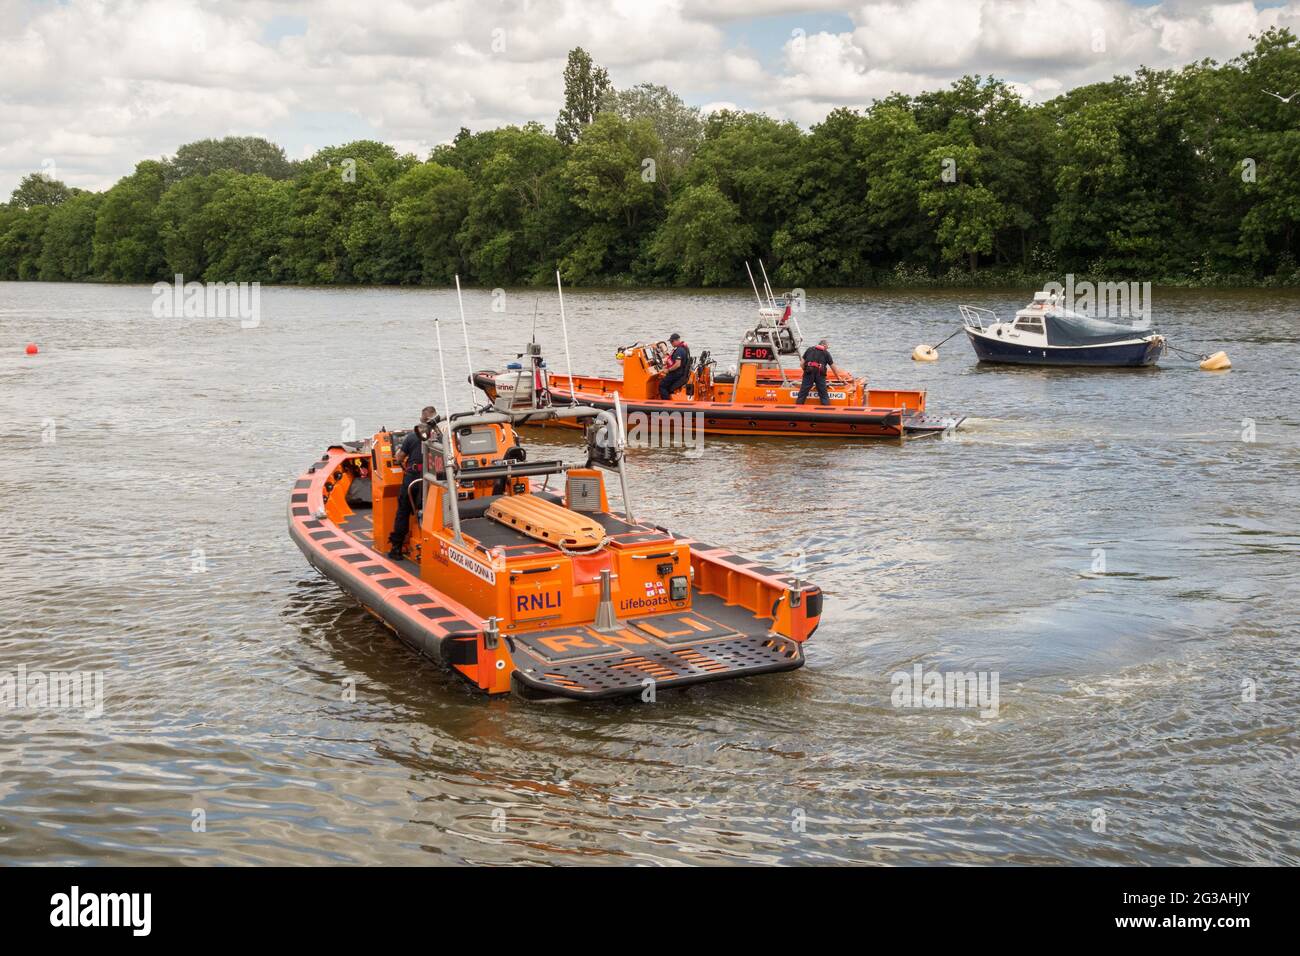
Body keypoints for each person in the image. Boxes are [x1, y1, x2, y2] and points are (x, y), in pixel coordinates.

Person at [388, 405, 437, 559]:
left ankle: (396, 548)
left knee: (403, 511)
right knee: (433, 513)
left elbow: (399, 458)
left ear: (421, 419)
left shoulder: (411, 437)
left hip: (413, 478)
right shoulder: (440, 437)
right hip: (433, 481)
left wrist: (398, 454)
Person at [796, 338, 841, 406]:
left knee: (802, 393)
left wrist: (806, 371)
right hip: (820, 374)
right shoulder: (826, 353)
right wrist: (838, 377)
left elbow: (801, 364)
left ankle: (798, 409)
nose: (827, 349)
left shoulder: (809, 349)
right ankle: (826, 410)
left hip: (809, 372)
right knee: (823, 394)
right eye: (827, 347)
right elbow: (833, 367)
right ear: (824, 345)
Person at [659, 333, 690, 399]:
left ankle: (665, 404)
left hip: (676, 374)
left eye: (672, 341)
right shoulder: (683, 348)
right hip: (681, 373)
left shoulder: (679, 350)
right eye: (670, 341)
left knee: (662, 386)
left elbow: (677, 364)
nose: (671, 343)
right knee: (666, 383)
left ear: (677, 340)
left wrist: (668, 370)